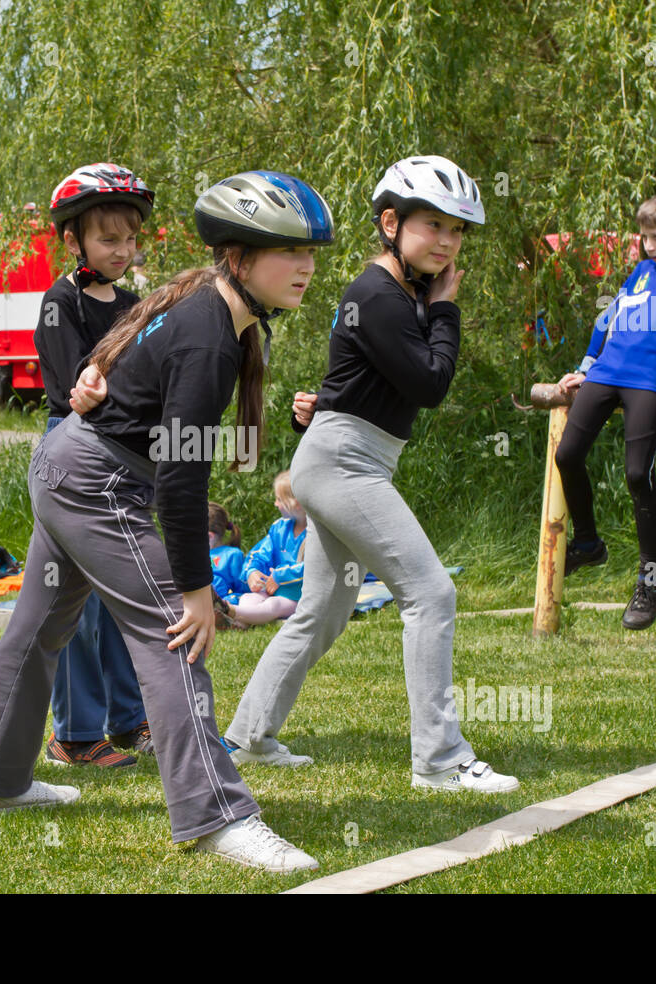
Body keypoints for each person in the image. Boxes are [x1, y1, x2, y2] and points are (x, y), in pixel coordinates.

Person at [0, 170, 334, 873]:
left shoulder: (208, 309)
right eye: (290, 251)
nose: (307, 267)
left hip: (71, 467)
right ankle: (218, 816)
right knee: (175, 634)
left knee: (39, 627)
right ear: (238, 256)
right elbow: (184, 478)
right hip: (95, 480)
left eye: (312, 252)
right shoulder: (210, 335)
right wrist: (196, 589)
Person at [223, 155, 518, 794]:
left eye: (458, 230)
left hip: (343, 455)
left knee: (321, 611)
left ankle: (247, 738)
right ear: (390, 221)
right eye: (433, 224)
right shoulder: (380, 294)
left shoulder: (394, 294)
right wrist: (447, 311)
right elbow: (430, 384)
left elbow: (358, 385)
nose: (447, 240)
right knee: (432, 592)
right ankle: (439, 760)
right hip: (345, 464)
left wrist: (316, 413)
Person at [33, 163, 153, 769]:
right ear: (73, 240)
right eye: (109, 240)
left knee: (121, 596)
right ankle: (75, 735)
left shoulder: (135, 304)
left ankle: (129, 720)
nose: (123, 252)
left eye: (130, 240)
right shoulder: (61, 303)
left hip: (126, 458)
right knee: (74, 605)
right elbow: (70, 390)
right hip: (76, 454)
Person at [552, 191, 656, 630]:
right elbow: (608, 319)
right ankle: (589, 543)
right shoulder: (640, 271)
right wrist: (584, 367)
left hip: (650, 380)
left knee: (638, 473)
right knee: (567, 454)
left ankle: (650, 581)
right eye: (644, 237)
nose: (648, 244)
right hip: (608, 372)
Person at [235, 470, 306, 625]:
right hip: (273, 590)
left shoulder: (316, 533)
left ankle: (232, 614)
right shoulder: (279, 527)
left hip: (299, 596)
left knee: (274, 605)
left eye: (279, 499)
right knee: (248, 598)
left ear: (297, 503)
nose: (275, 503)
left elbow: (315, 567)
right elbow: (259, 553)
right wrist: (252, 572)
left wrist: (279, 576)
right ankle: (239, 622)